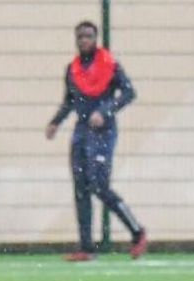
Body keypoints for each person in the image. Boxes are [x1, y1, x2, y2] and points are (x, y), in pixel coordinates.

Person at [45, 20, 148, 261]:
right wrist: (55, 122)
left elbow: (129, 93)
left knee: (99, 185)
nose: (84, 41)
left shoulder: (109, 65)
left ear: (96, 38)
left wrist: (105, 111)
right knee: (80, 188)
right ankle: (86, 247)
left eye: (89, 36)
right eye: (80, 36)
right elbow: (69, 101)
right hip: (81, 132)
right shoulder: (72, 70)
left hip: (103, 132)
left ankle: (137, 232)